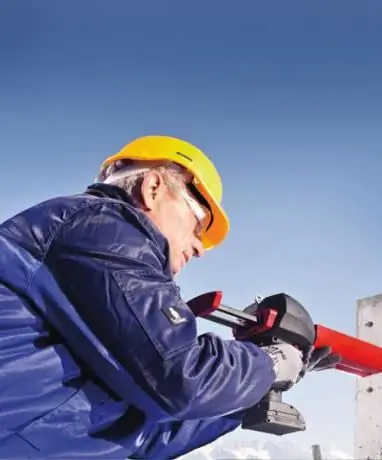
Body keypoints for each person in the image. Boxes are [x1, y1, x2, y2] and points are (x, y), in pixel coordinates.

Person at [0, 135, 337, 458]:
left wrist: (252, 394)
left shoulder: (92, 286)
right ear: (153, 187)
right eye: (199, 223)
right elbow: (180, 377)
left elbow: (144, 432)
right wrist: (270, 361)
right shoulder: (103, 226)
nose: (200, 248)